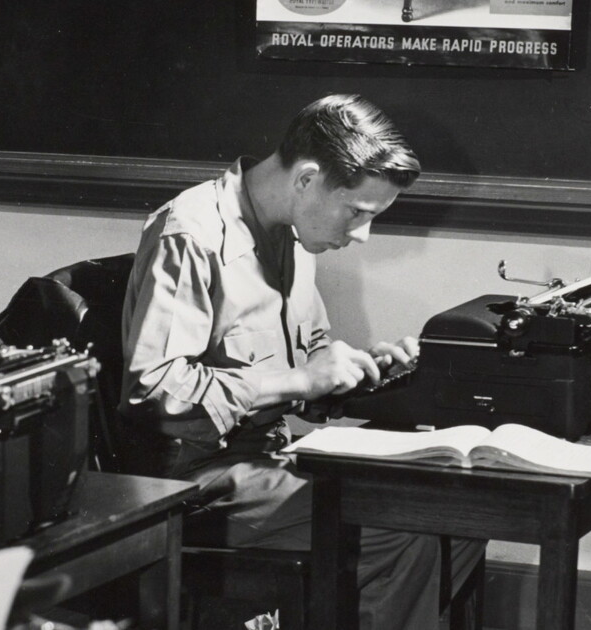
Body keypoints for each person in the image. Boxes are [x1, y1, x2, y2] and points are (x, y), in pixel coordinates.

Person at [118, 94, 484, 629]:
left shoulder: (293, 234)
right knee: (408, 528)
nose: (361, 235)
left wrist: (365, 372)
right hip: (192, 484)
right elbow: (153, 392)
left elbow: (308, 367)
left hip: (273, 462)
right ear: (307, 179)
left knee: (466, 514)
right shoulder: (191, 234)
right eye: (357, 212)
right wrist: (299, 379)